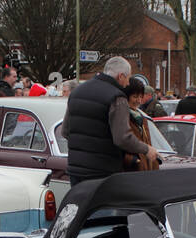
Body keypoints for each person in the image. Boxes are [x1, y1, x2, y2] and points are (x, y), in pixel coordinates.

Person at [61, 56, 158, 186]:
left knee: (81, 206)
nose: (128, 83)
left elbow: (65, 131)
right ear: (120, 76)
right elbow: (122, 138)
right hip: (103, 170)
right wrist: (146, 149)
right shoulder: (117, 97)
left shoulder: (77, 92)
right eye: (128, 78)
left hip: (76, 169)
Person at [122, 80, 159, 171]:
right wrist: (133, 161)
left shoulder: (143, 118)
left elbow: (148, 144)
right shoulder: (121, 117)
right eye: (135, 97)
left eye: (140, 97)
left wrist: (155, 161)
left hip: (145, 172)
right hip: (130, 171)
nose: (138, 100)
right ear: (126, 97)